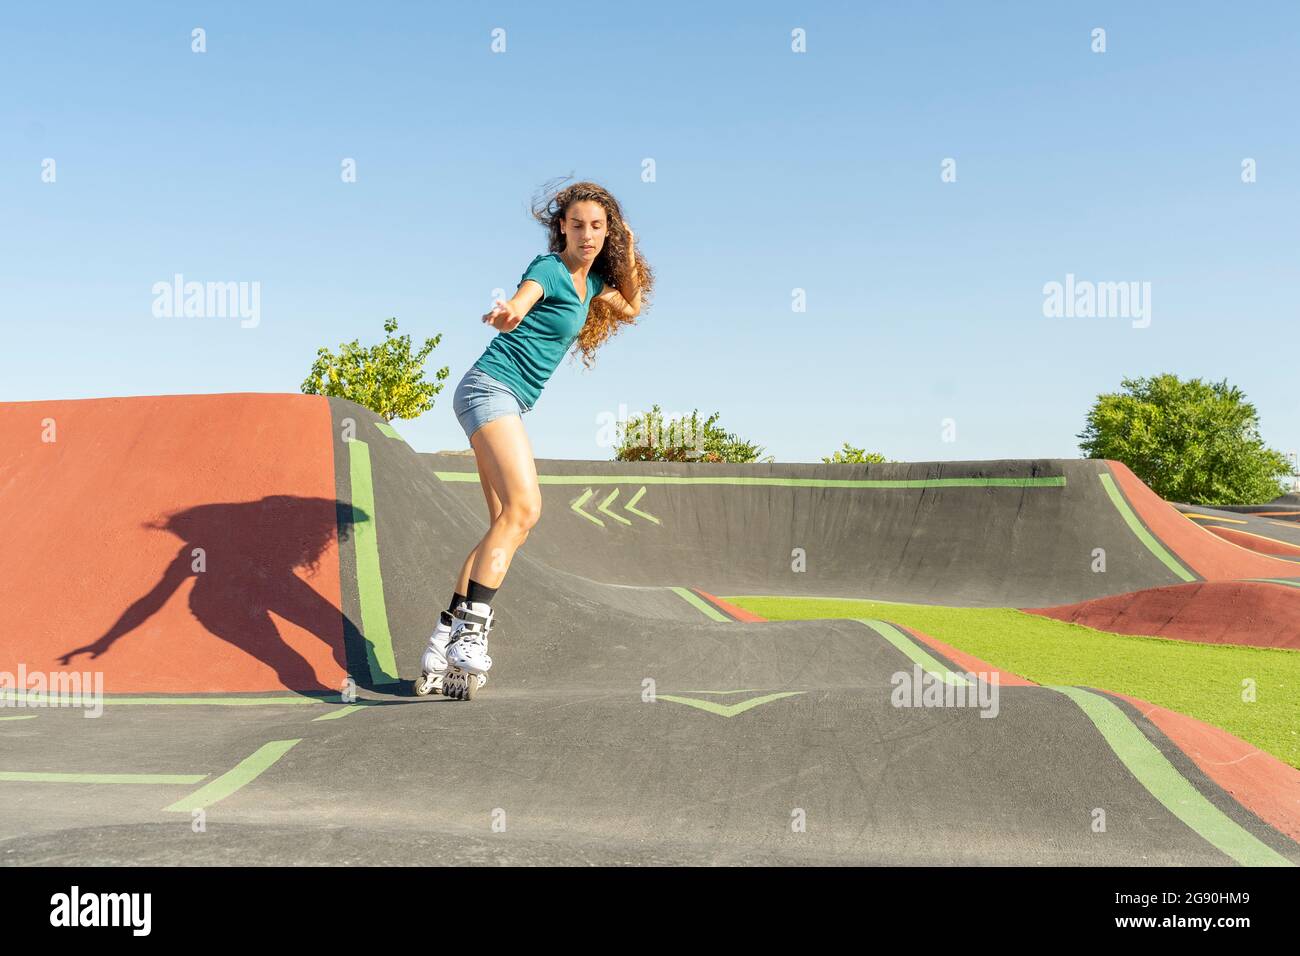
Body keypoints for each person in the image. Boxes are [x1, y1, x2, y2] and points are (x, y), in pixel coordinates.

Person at [415, 180, 653, 699]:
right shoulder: (547, 270)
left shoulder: (591, 288)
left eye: (597, 226)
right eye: (576, 225)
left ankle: (443, 637)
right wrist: (510, 312)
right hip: (490, 389)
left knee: (505, 524)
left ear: (607, 231)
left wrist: (630, 251)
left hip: (500, 398)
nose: (586, 235)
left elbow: (632, 307)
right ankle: (473, 633)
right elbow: (523, 301)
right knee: (526, 510)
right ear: (561, 229)